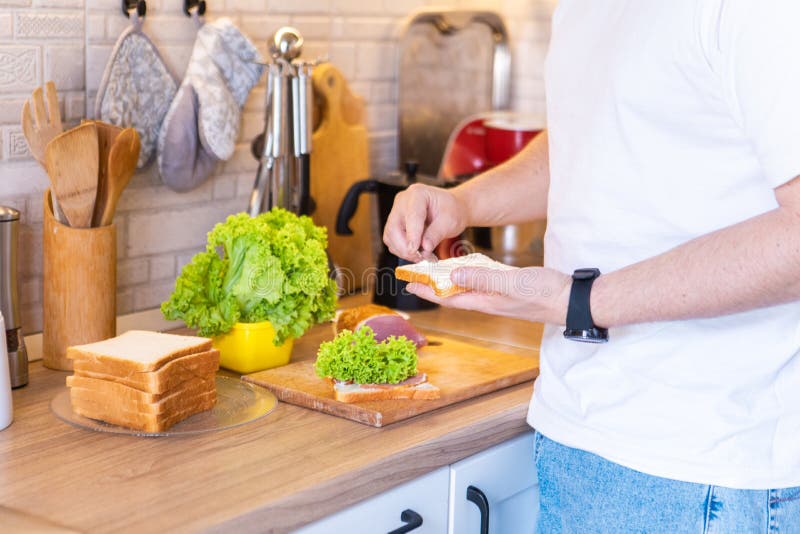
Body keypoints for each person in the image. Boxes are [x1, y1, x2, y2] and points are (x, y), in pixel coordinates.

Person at [383, 1, 800, 532]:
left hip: (704, 472)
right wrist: (463, 203)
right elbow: (586, 139)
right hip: (575, 436)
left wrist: (577, 302)